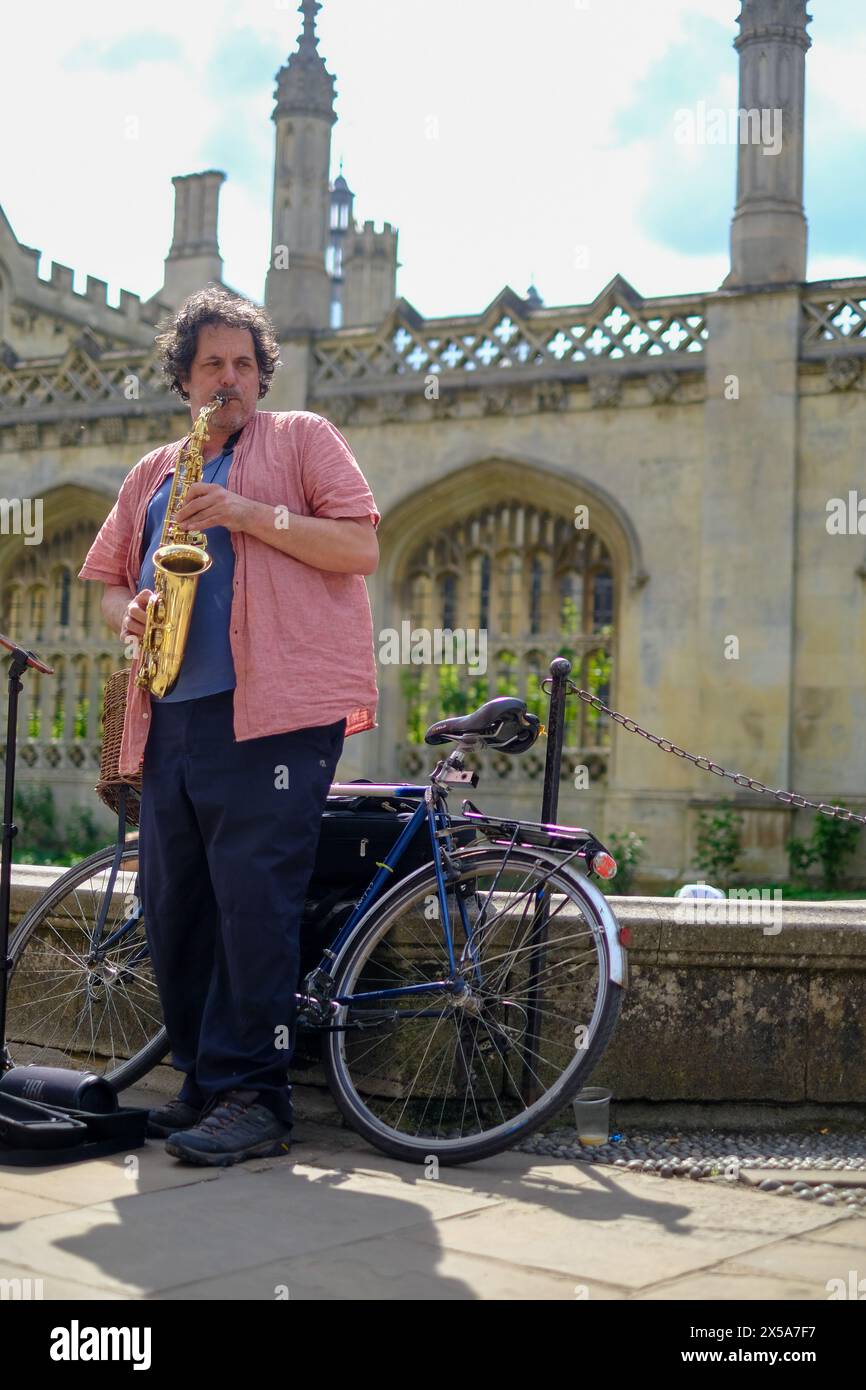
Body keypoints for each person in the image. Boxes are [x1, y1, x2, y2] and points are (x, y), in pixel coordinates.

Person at [78, 288, 380, 1166]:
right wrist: (126, 611)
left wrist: (247, 515)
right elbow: (102, 581)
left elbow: (359, 545)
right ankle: (209, 1085)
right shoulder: (152, 474)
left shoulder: (302, 440)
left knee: (255, 903)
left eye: (245, 363)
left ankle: (259, 1098)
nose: (231, 378)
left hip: (275, 716)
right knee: (174, 907)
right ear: (182, 378)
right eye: (212, 363)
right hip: (169, 712)